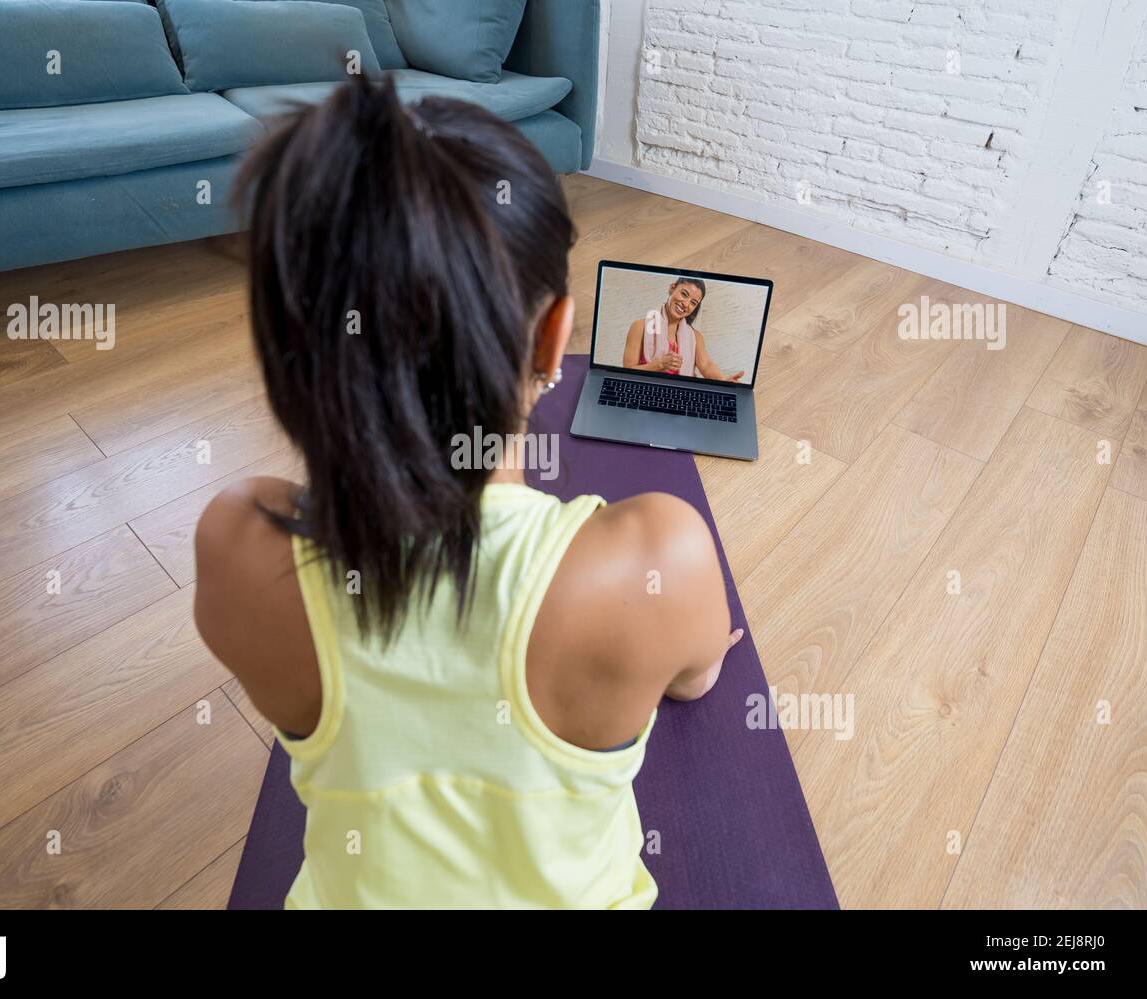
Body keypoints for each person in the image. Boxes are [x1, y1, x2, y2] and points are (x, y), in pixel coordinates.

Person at [193, 76, 743, 909]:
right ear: (555, 337)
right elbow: (698, 678)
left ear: (283, 347)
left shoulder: (235, 544)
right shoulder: (661, 555)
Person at [621, 278, 747, 381]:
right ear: (672, 288)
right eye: (684, 294)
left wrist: (723, 380)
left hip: (681, 397)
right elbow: (626, 373)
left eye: (693, 303)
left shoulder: (695, 337)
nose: (686, 304)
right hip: (645, 392)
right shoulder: (640, 327)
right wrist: (659, 364)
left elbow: (706, 365)